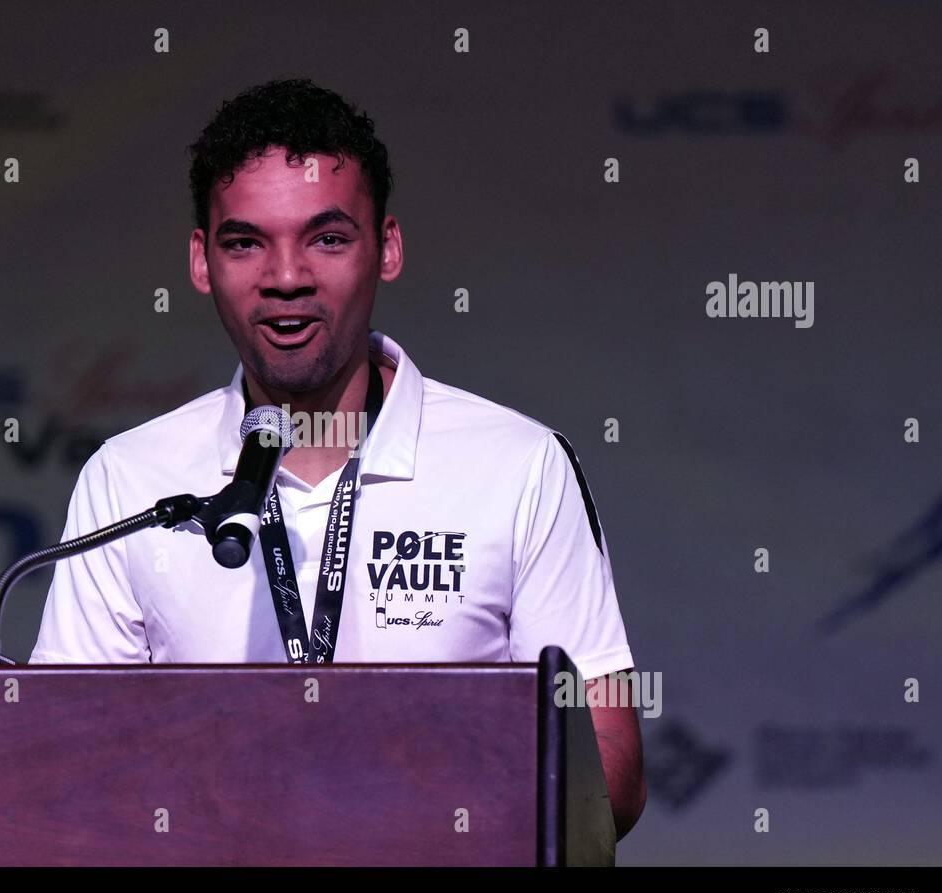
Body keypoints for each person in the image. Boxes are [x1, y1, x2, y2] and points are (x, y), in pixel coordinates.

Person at [32, 77, 645, 838]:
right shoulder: (131, 479)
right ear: (200, 262)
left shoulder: (520, 466)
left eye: (326, 238)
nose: (286, 278)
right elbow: (64, 771)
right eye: (245, 242)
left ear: (386, 248)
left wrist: (377, 784)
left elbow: (611, 776)